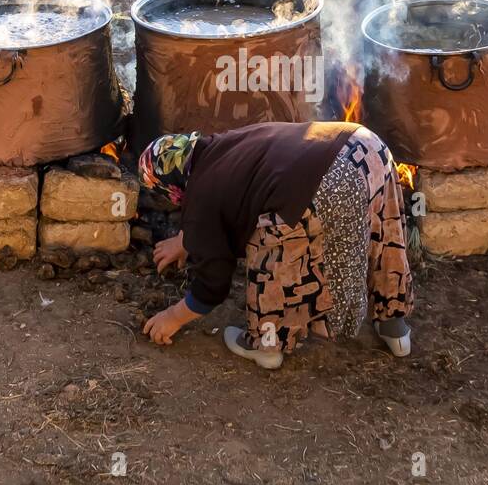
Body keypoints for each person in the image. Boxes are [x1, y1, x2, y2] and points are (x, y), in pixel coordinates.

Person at [137, 120, 413, 369]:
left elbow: (213, 282)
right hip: (365, 147)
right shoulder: (221, 146)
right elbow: (227, 196)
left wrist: (173, 316)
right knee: (384, 230)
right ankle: (394, 324)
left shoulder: (201, 200)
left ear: (169, 185)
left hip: (322, 184)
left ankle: (267, 344)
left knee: (271, 242)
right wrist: (186, 240)